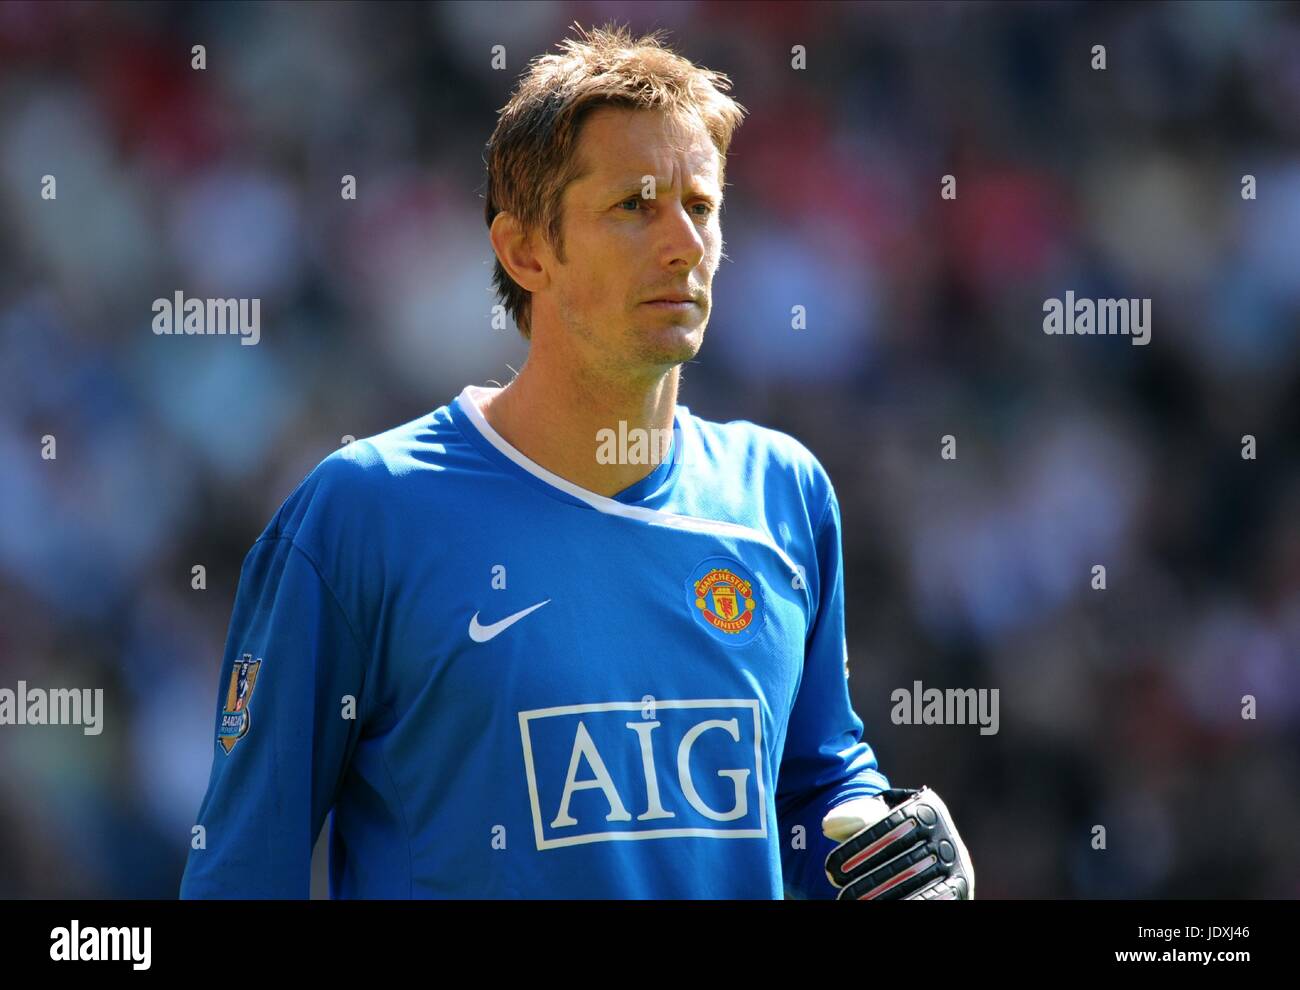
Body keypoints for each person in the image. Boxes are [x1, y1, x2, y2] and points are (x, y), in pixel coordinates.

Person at [180, 23, 972, 900]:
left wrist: (886, 857)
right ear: (526, 251)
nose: (683, 244)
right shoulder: (364, 514)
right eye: (634, 205)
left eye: (700, 207)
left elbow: (814, 795)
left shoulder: (782, 495)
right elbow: (243, 870)